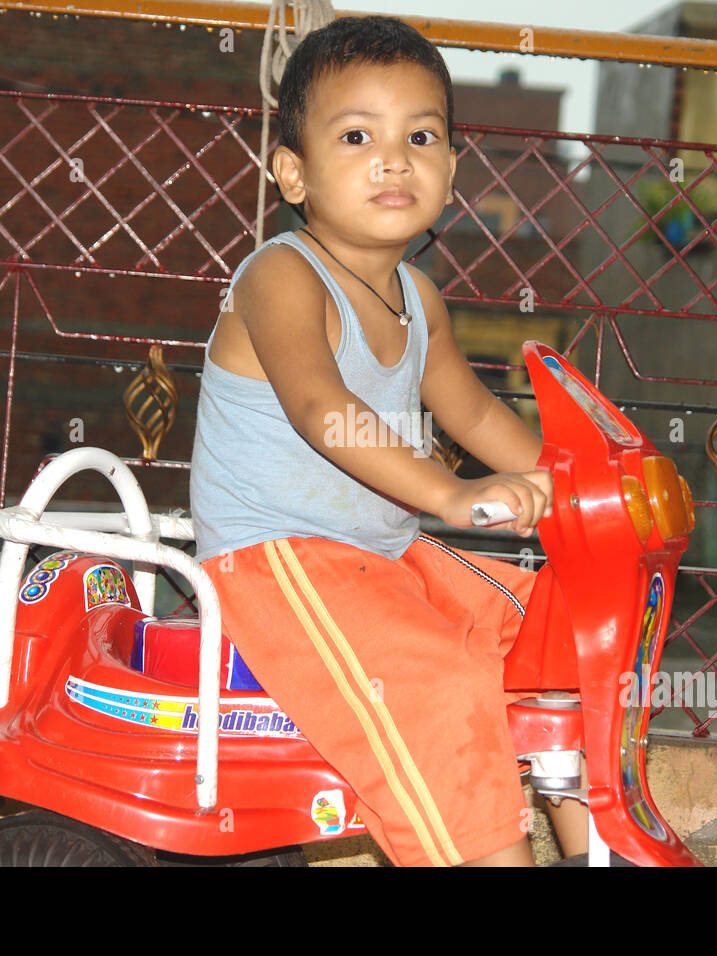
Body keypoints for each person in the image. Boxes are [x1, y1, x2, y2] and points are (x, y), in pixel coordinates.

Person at [189, 15, 584, 866]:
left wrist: (577, 484)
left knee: (562, 634)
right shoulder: (280, 275)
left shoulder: (420, 296)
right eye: (358, 135)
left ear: (450, 167)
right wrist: (448, 494)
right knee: (437, 687)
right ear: (293, 172)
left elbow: (474, 415)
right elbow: (318, 406)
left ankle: (599, 847)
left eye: (421, 135)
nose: (393, 158)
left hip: (383, 554)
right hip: (277, 559)